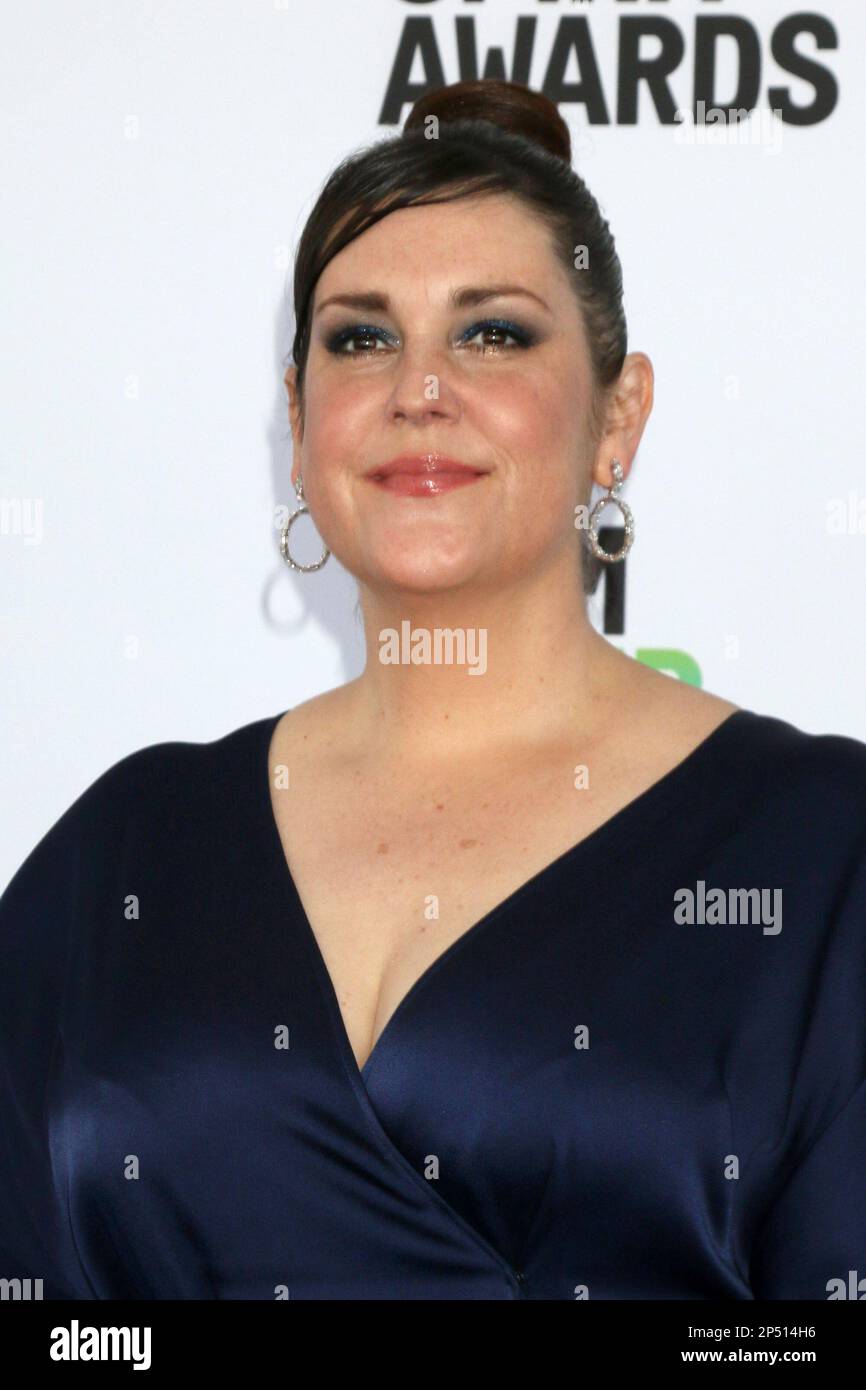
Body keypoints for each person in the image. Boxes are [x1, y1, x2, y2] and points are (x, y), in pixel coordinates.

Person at [1, 79, 864, 1301]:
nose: (420, 386)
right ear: (299, 421)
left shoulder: (821, 850)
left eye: (492, 333)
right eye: (360, 337)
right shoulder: (126, 849)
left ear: (618, 417)